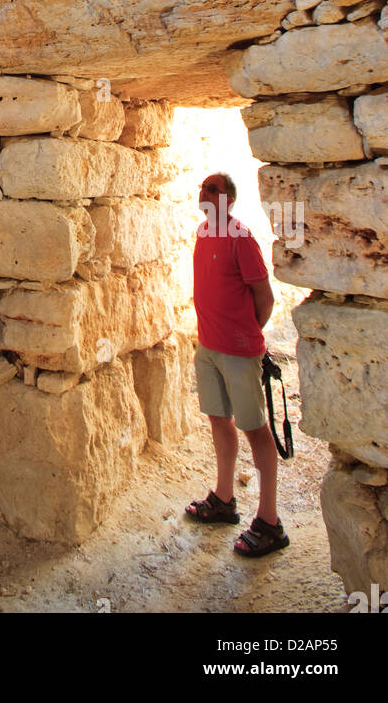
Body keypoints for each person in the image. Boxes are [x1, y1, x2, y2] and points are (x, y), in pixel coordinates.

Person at [184, 171, 290, 557]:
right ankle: (224, 499)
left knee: (255, 430)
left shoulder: (241, 238)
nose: (204, 191)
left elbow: (265, 298)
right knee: (219, 420)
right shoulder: (202, 233)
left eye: (213, 188)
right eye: (203, 187)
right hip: (209, 347)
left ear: (229, 199)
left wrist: (247, 336)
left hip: (238, 350)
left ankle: (270, 521)